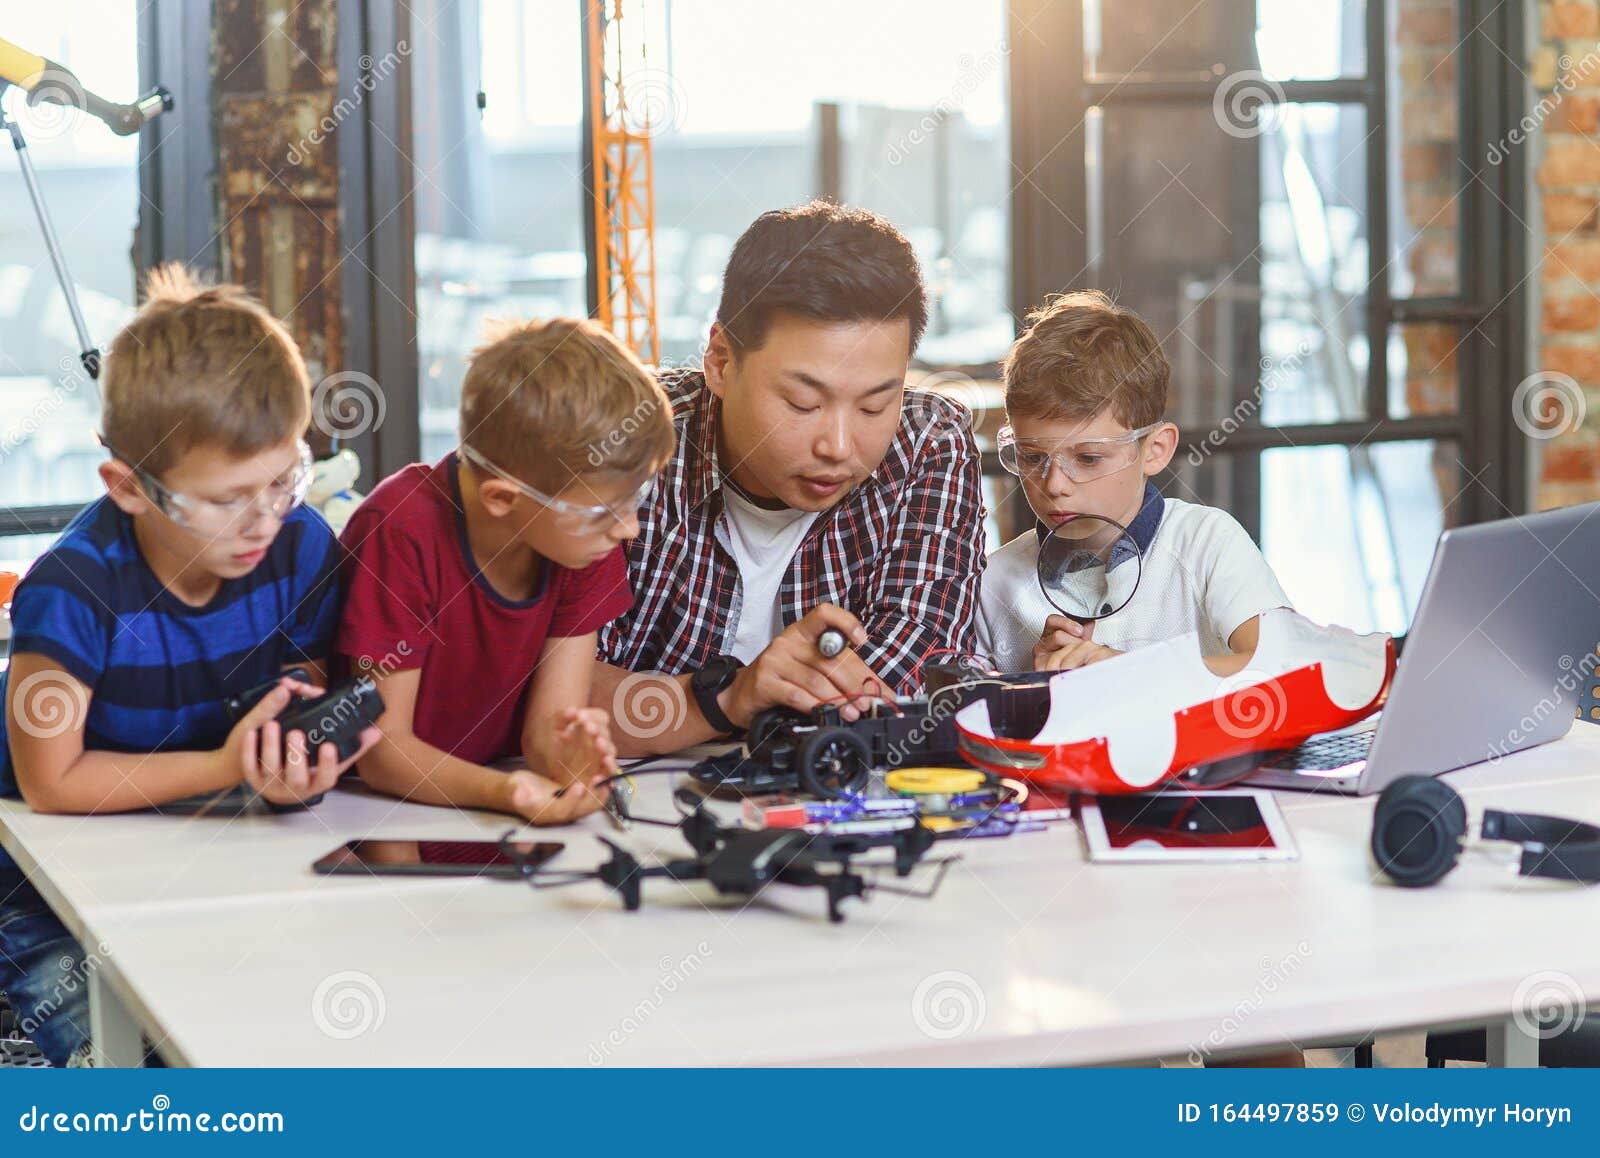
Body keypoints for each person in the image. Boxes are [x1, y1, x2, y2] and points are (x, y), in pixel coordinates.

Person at [595, 201, 988, 755]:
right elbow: (550, 697)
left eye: (876, 406)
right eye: (803, 403)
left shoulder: (927, 444)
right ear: (722, 360)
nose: (839, 447)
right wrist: (733, 695)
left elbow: (911, 687)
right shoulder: (626, 442)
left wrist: (681, 704)